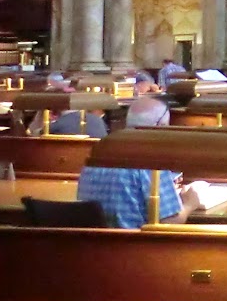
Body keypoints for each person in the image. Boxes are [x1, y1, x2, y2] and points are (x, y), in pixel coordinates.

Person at [74, 87, 193, 229]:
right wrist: (191, 203)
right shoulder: (149, 158)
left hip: (94, 246)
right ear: (160, 125)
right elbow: (168, 223)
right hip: (135, 248)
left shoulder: (98, 152)